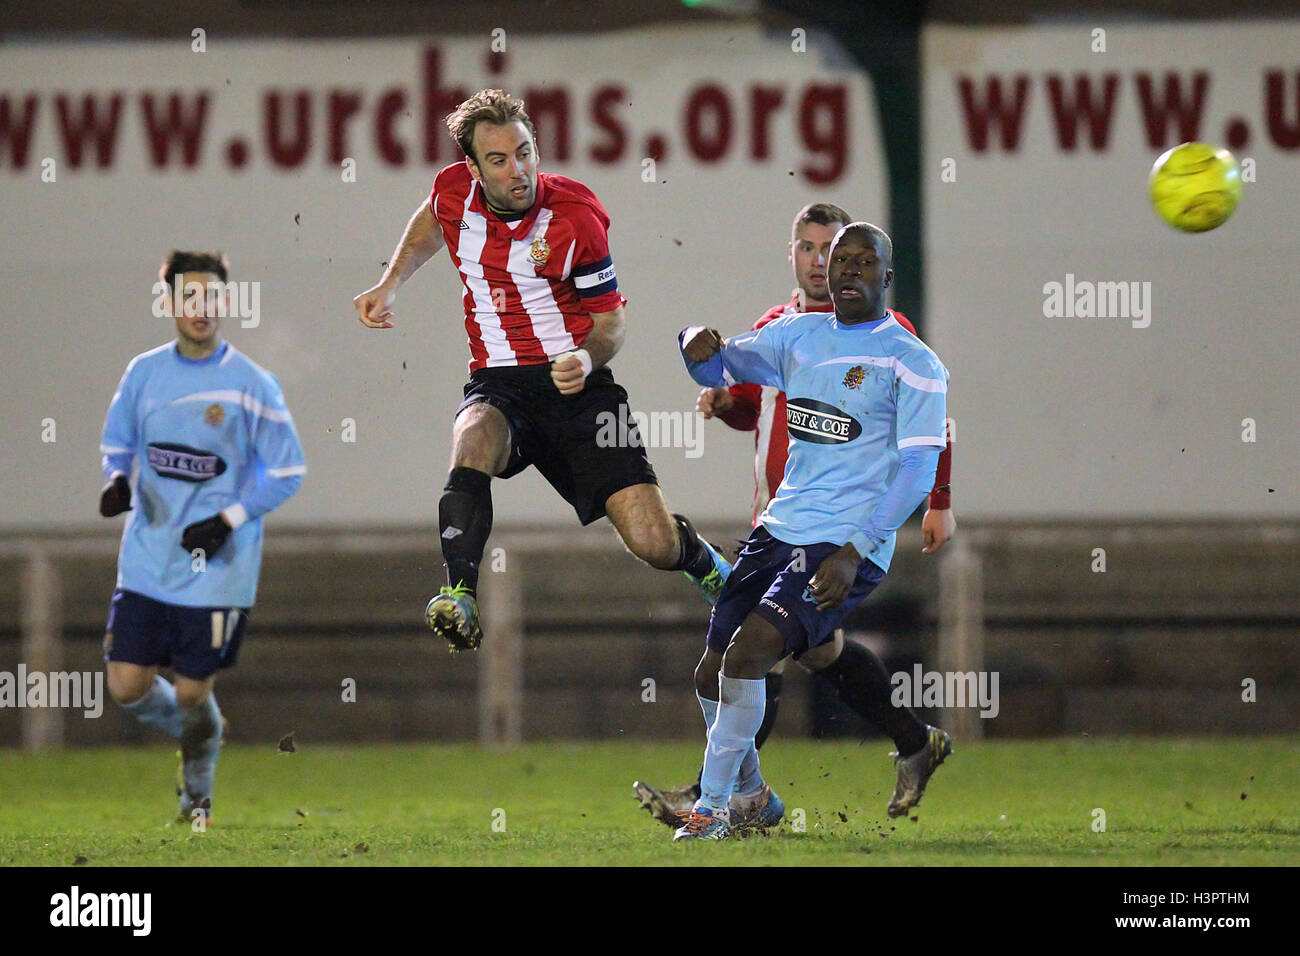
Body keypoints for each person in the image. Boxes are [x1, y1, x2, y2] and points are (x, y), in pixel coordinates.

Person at [352, 89, 731, 652]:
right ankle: (458, 593)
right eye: (499, 160)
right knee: (473, 433)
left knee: (653, 543)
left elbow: (611, 325)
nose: (519, 170)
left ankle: (707, 564)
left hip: (578, 387)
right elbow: (434, 219)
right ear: (473, 169)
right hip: (500, 383)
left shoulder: (575, 217)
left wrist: (584, 358)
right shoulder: (453, 193)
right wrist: (390, 281)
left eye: (525, 152)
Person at [634, 204, 956, 827]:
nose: (839, 269)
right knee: (730, 667)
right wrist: (693, 346)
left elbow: (920, 459)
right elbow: (726, 373)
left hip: (843, 542)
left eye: (862, 261)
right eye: (831, 257)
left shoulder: (909, 356)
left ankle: (714, 806)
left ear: (888, 274)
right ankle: (903, 745)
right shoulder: (788, 332)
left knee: (752, 655)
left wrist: (871, 540)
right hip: (777, 524)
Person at [99, 251, 306, 823]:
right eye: (188, 297)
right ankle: (206, 733)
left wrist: (228, 520)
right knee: (125, 685)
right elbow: (116, 443)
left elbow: (287, 470)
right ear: (168, 302)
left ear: (226, 303)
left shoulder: (250, 384)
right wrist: (117, 481)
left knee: (191, 692)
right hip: (148, 557)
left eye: (212, 297)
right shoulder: (144, 374)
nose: (201, 308)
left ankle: (197, 793)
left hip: (217, 569)